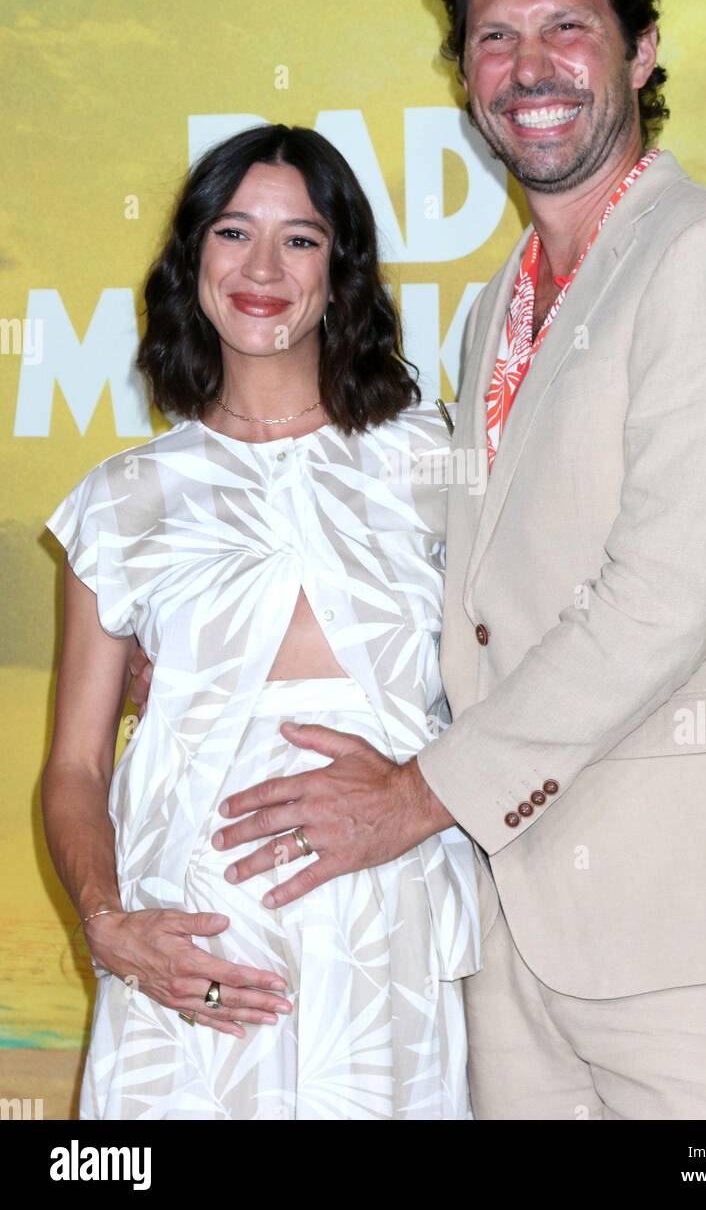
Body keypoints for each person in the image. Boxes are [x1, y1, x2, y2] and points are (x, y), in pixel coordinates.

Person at [174, 0, 706, 1121]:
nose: (526, 64)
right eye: (494, 35)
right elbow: (471, 567)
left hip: (696, 935)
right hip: (509, 935)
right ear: (463, 73)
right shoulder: (497, 312)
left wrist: (411, 798)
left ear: (639, 49)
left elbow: (661, 596)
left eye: (565, 27)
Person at [42, 123, 481, 1120]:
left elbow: (591, 612)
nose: (262, 268)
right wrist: (107, 926)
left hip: (385, 938)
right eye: (234, 231)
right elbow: (74, 767)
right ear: (191, 256)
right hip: (185, 953)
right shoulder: (123, 499)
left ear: (342, 271)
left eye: (301, 238)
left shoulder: (442, 459)